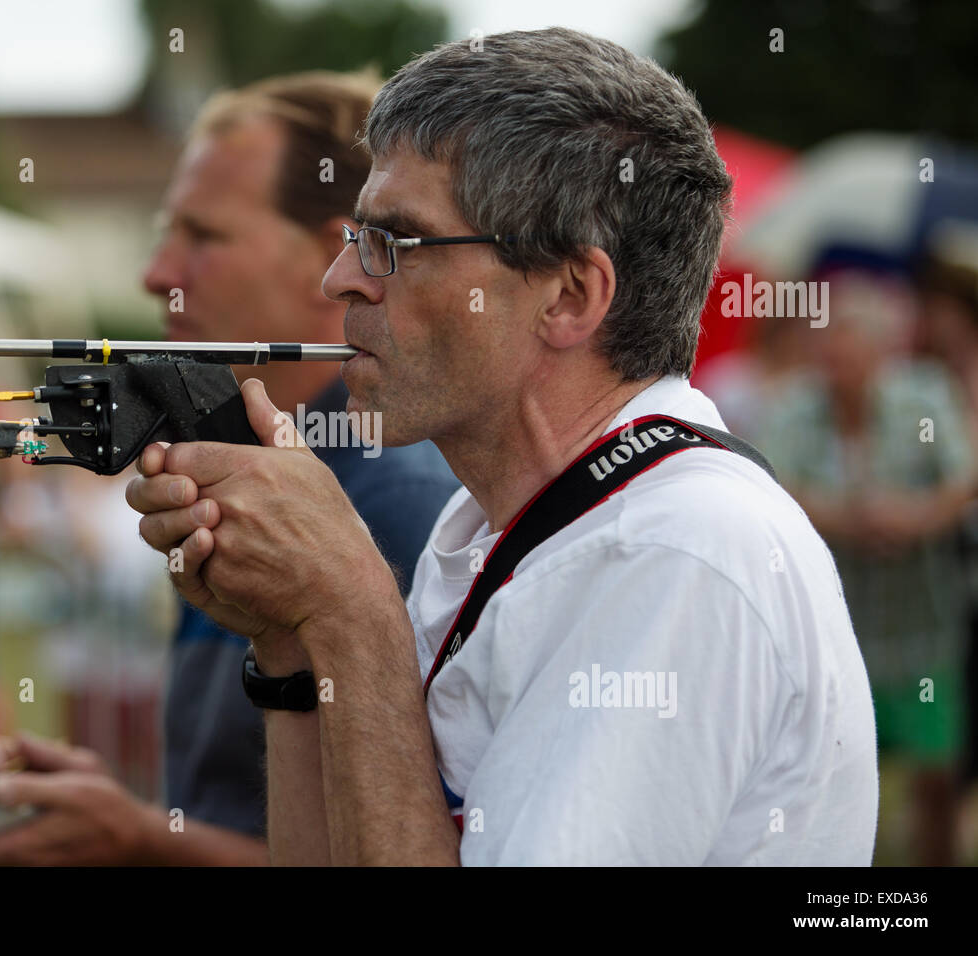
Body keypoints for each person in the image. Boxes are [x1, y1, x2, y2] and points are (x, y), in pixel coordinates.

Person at [127, 28, 879, 865]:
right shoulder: (495, 522)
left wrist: (352, 608)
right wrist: (291, 643)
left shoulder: (675, 548)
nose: (339, 281)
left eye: (396, 243)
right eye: (353, 237)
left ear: (569, 295)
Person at [0, 72, 459, 865]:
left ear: (332, 259)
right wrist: (109, 811)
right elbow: (232, 802)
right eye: (165, 232)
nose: (156, 273)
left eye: (203, 236)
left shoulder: (397, 499)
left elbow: (399, 853)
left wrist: (136, 841)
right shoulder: (243, 470)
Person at [760, 267, 974, 865]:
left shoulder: (925, 396)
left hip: (921, 622)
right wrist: (847, 519)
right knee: (844, 774)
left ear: (882, 351)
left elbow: (962, 479)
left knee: (935, 772)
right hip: (840, 627)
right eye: (831, 354)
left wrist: (915, 516)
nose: (838, 368)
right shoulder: (798, 405)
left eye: (852, 355)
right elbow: (772, 482)